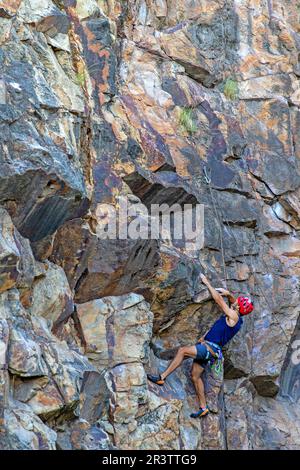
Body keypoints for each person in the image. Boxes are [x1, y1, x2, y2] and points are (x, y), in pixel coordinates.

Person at [147, 274, 254, 418]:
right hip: (211, 349)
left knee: (183, 351)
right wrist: (229, 294)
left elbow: (218, 301)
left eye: (237, 303)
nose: (234, 302)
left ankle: (162, 377)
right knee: (195, 376)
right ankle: (204, 407)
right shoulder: (238, 319)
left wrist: (207, 283)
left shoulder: (233, 316)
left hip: (210, 348)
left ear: (239, 307)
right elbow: (233, 302)